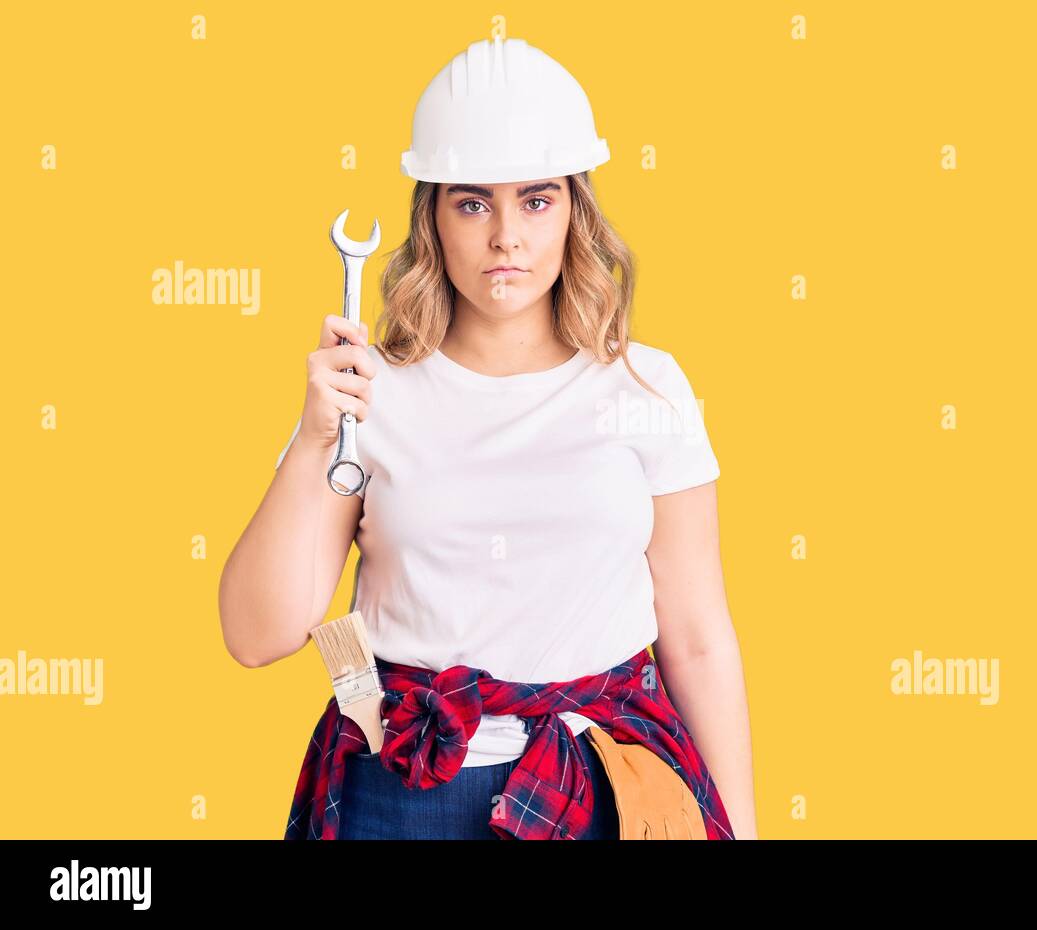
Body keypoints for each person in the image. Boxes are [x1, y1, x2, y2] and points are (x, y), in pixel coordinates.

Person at [218, 35, 756, 840]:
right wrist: (310, 440)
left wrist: (742, 831)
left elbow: (699, 640)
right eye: (472, 202)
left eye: (535, 200)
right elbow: (256, 635)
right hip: (400, 785)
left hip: (600, 786)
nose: (506, 235)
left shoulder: (646, 387)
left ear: (575, 210)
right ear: (432, 217)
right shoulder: (368, 394)